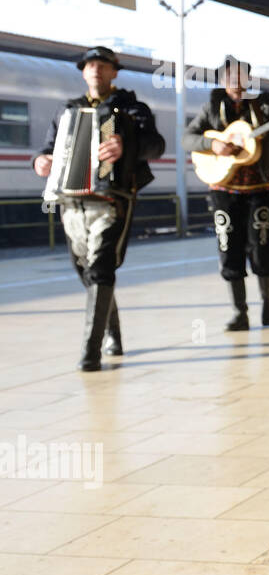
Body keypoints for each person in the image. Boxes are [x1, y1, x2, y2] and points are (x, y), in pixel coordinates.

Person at [32, 46, 165, 371]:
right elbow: (49, 148)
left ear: (114, 71)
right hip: (72, 200)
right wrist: (40, 161)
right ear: (83, 72)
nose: (96, 70)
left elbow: (156, 146)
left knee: (102, 268)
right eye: (90, 65)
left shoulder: (133, 109)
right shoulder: (68, 110)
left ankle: (90, 352)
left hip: (112, 197)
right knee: (86, 271)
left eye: (103, 65)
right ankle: (112, 334)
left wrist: (126, 145)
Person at [182, 56, 269, 330]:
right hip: (224, 190)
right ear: (222, 81)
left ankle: (267, 300)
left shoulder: (263, 106)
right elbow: (186, 138)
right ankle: (239, 312)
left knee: (261, 244)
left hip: (258, 188)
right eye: (230, 77)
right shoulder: (212, 108)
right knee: (228, 246)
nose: (236, 82)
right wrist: (213, 144)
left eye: (241, 76)